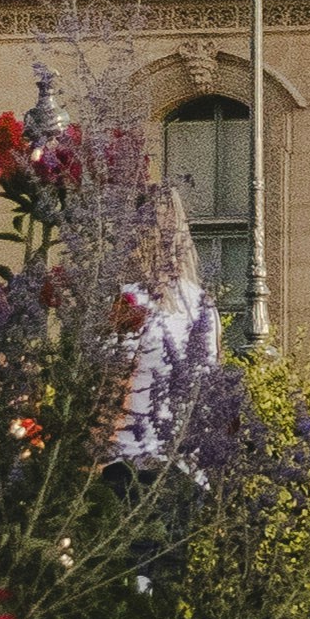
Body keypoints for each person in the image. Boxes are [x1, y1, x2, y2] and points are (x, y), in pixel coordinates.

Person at [109, 183, 224, 467]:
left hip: (131, 465)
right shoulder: (205, 305)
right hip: (187, 467)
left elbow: (112, 393)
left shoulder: (129, 301)